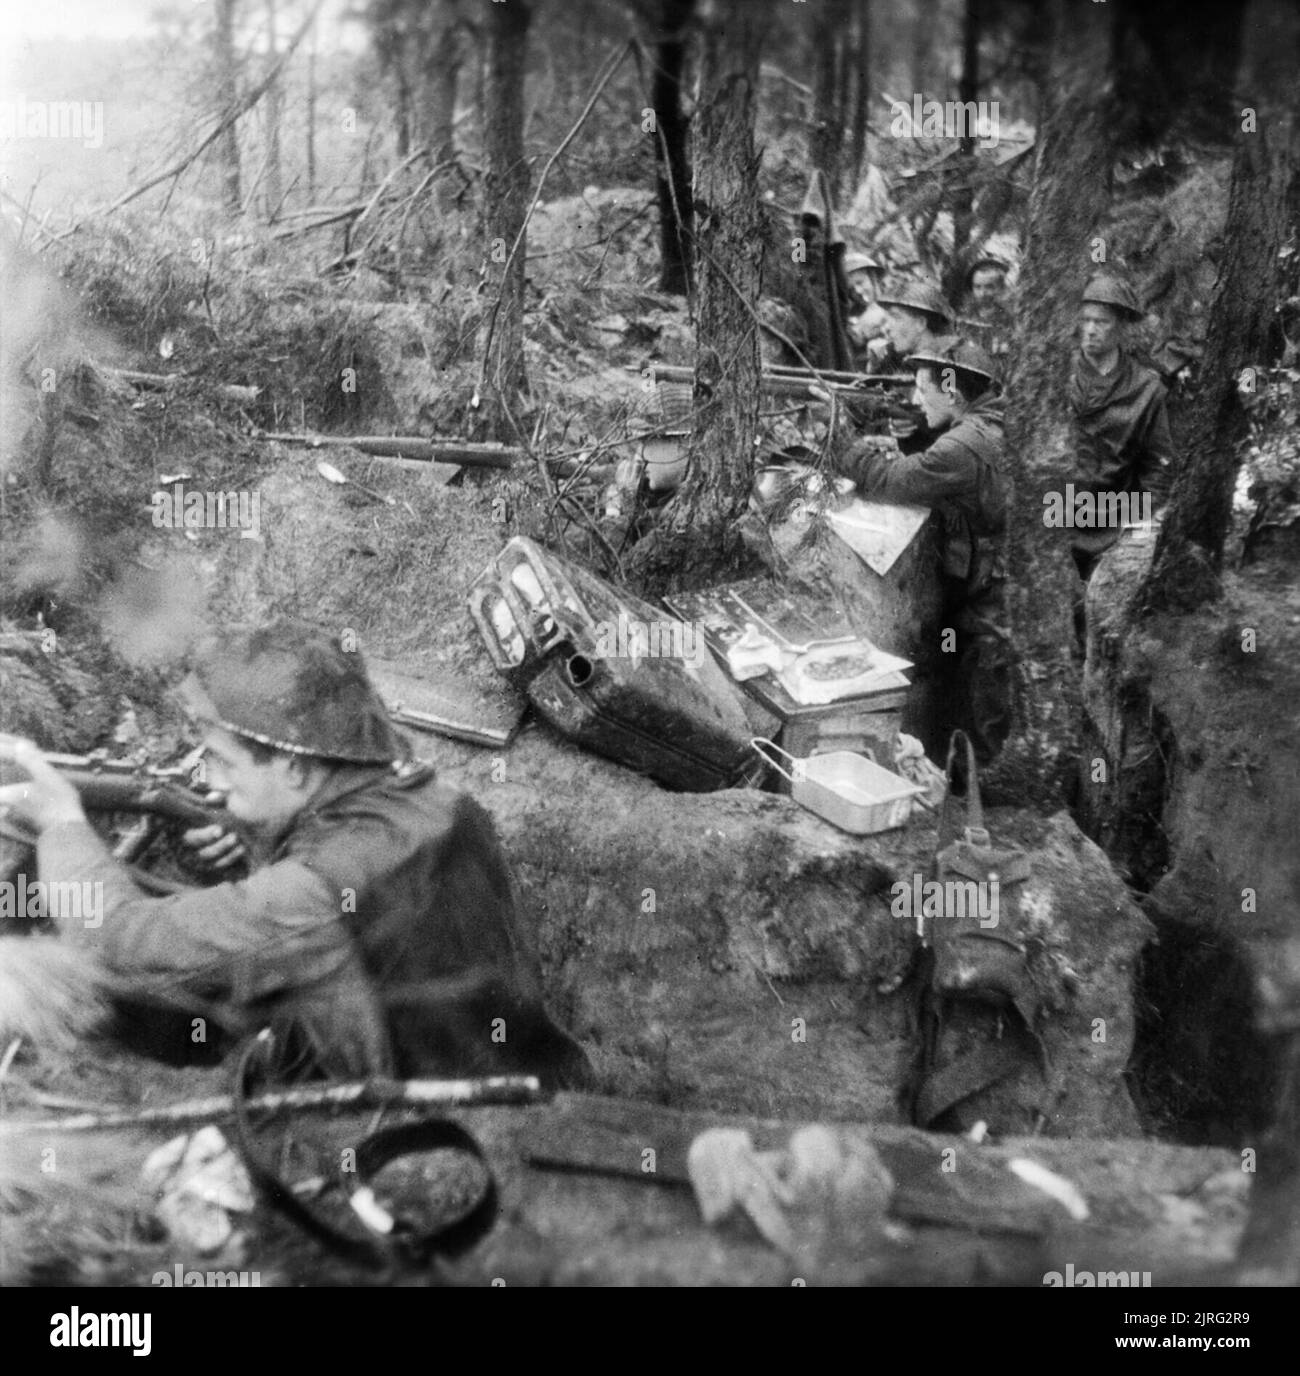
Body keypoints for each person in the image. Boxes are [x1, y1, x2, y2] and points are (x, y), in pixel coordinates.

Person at [0, 621, 593, 1088]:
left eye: (223, 761)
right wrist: (263, 842)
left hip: (426, 1120)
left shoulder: (313, 892)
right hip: (523, 1065)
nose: (210, 780)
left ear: (292, 765)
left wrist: (60, 823)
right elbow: (338, 899)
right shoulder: (443, 803)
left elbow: (114, 944)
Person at [829, 339, 1014, 763]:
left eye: (922, 389)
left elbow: (892, 482)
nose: (915, 399)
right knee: (963, 691)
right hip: (994, 587)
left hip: (993, 603)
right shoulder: (994, 423)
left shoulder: (963, 446)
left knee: (983, 709)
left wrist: (843, 440)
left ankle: (975, 798)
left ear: (951, 389)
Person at [1067, 271, 1174, 583]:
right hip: (1056, 520)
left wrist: (1136, 526)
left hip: (1114, 524)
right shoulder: (1056, 376)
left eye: (1101, 322)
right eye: (1085, 320)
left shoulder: (1146, 388)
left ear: (1122, 326)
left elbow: (1158, 469)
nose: (1090, 330)